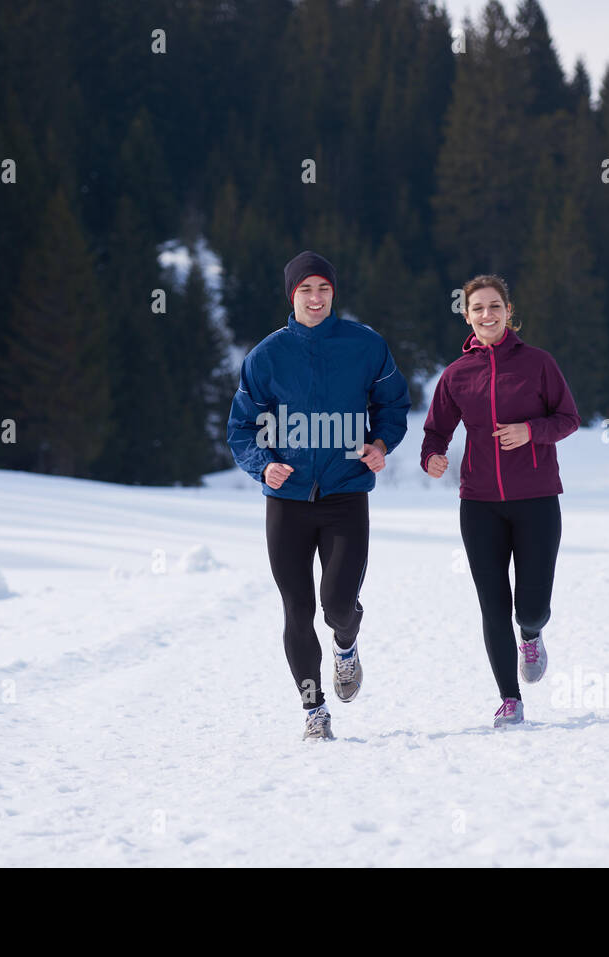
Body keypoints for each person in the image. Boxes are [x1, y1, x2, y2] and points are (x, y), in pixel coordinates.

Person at [228, 251, 410, 741]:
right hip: (286, 500)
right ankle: (313, 708)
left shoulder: (365, 345)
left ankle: (346, 645)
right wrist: (264, 465)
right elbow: (241, 427)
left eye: (323, 289)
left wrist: (380, 442)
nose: (315, 298)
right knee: (296, 608)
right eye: (305, 289)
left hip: (345, 494)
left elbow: (393, 403)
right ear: (292, 296)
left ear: (334, 293)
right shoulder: (266, 356)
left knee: (337, 604)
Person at [420, 275, 580, 727]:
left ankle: (531, 633)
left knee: (530, 605)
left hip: (537, 498)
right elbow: (436, 430)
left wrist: (530, 430)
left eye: (495, 306)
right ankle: (510, 699)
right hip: (479, 503)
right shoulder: (456, 374)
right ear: (467, 315)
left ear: (509, 311)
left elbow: (568, 418)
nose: (486, 315)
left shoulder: (538, 364)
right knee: (492, 602)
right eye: (477, 308)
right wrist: (431, 455)